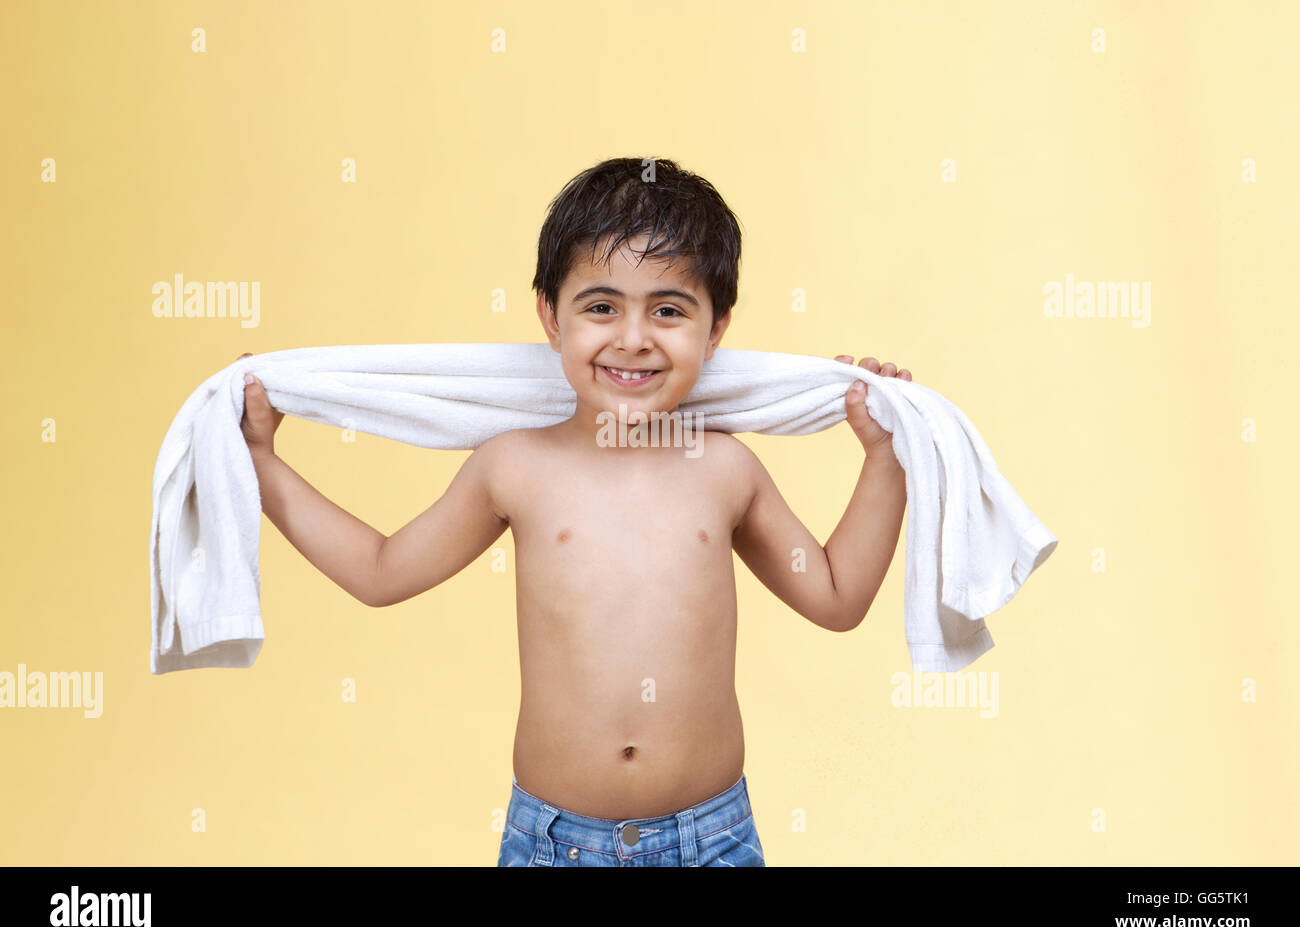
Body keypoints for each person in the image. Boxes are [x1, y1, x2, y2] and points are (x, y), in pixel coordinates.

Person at [237, 157, 911, 866]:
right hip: (554, 846)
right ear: (550, 318)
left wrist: (886, 458)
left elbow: (837, 597)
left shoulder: (723, 469)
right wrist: (262, 466)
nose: (632, 338)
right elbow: (379, 572)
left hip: (711, 840)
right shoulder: (516, 467)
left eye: (669, 310)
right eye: (601, 306)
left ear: (715, 331)